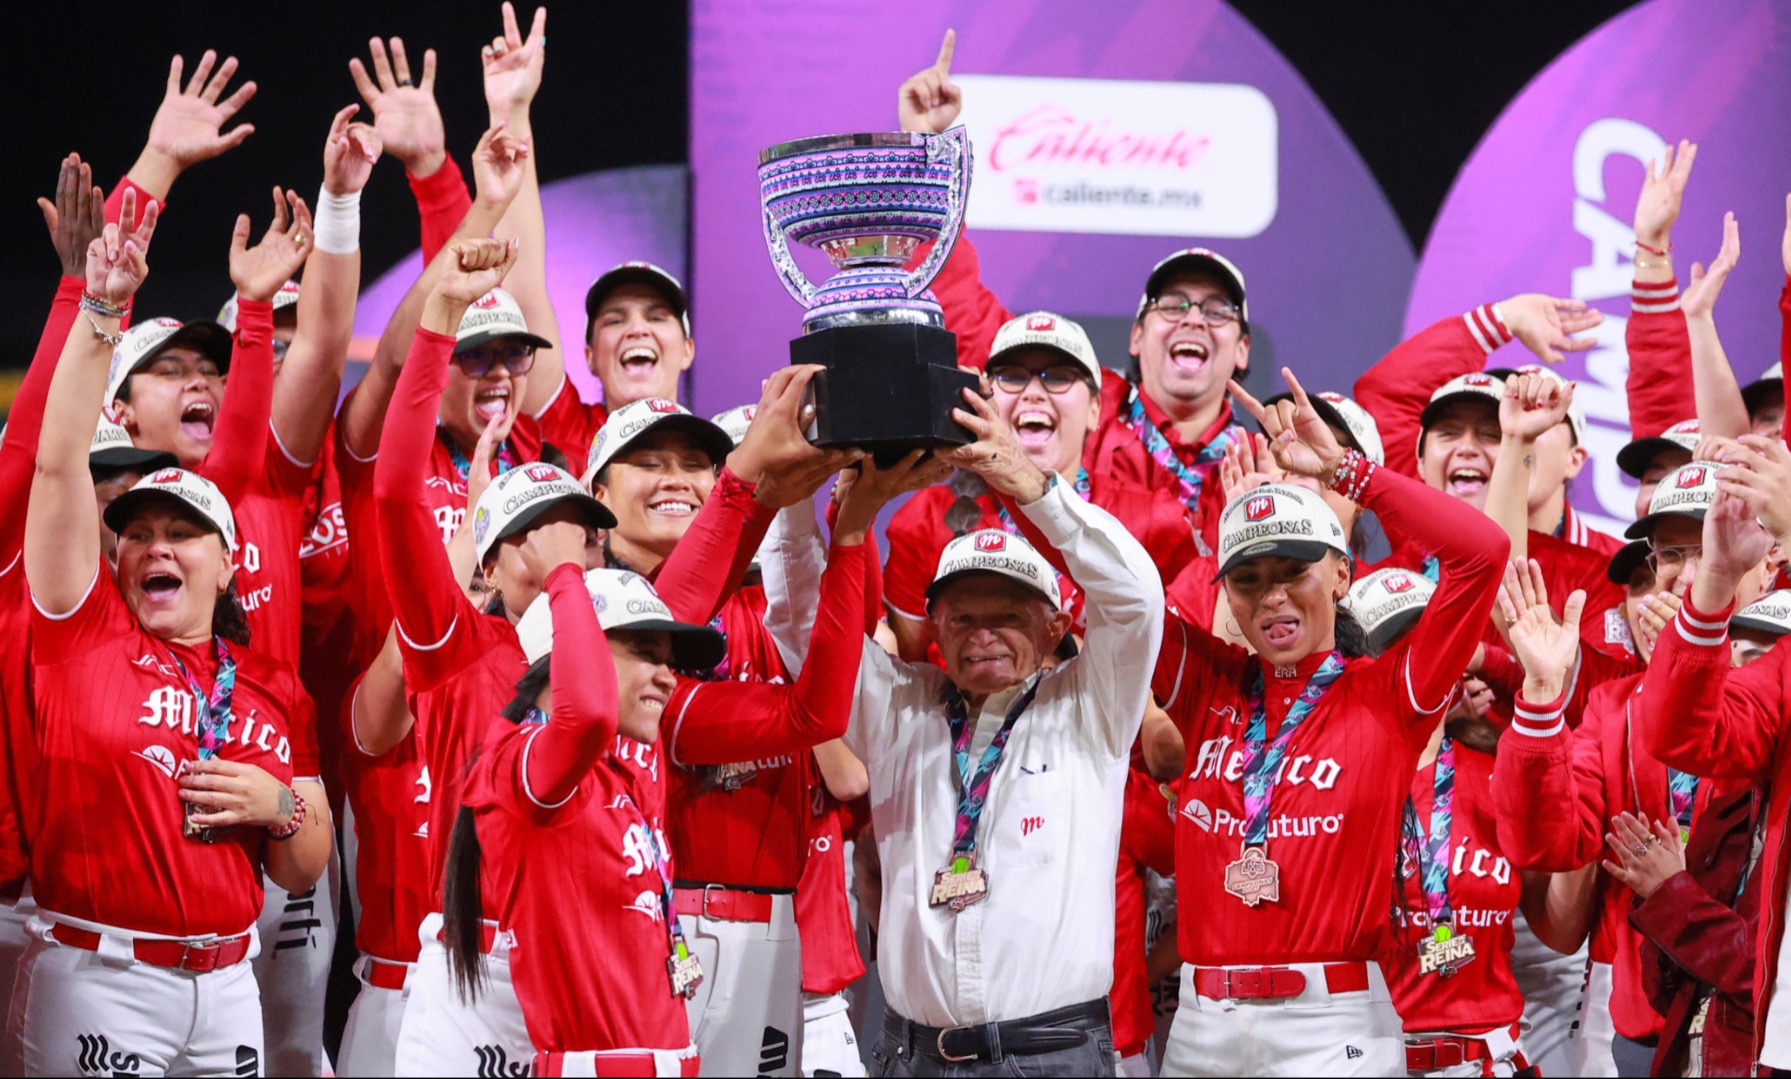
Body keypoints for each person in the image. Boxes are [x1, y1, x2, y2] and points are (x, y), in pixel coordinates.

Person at [11, 190, 330, 1076]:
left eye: (181, 533)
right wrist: (101, 304)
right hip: (99, 977)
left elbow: (307, 862)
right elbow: (56, 455)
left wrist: (280, 807)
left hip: (229, 985)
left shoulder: (269, 681)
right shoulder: (82, 633)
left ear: (229, 561)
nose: (155, 545)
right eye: (139, 531)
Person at [797, 379, 1162, 1077]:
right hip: (914, 1056)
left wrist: (1031, 485)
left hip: (1054, 1056)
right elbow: (803, 630)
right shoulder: (901, 708)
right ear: (933, 624)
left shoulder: (1090, 704)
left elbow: (1136, 598)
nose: (982, 634)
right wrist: (800, 500)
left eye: (1009, 615)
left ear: (1057, 624)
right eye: (963, 616)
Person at [1147, 371, 1505, 1076]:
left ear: (1341, 575)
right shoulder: (1205, 684)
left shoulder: (1388, 690)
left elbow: (1481, 552)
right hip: (1199, 1027)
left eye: (1294, 571)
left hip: (1333, 1024)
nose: (1272, 596)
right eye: (1247, 579)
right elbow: (1115, 589)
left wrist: (1347, 472)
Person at [896, 34, 1246, 552]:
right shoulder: (1073, 395)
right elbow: (958, 303)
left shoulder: (1265, 459)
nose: (1193, 319)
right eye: (1172, 304)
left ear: (1242, 347)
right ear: (1136, 335)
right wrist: (926, 154)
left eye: (1217, 309)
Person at [1494, 460, 1776, 1077]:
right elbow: (1548, 840)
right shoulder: (1615, 706)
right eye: (1670, 552)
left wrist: (1675, 892)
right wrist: (1541, 697)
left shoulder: (1776, 687)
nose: (1688, 571)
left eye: (1711, 545)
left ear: (1768, 560)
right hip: (1645, 1032)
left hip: (1762, 1019)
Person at [881, 311, 1197, 660]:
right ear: (985, 398)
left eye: (1059, 376)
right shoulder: (925, 521)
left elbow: (1180, 674)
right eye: (1012, 377)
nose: (1033, 392)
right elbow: (906, 674)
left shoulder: (1157, 522)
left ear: (1095, 409)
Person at [1629, 438, 1791, 1075]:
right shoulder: (1781, 669)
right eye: (1673, 552)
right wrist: (1717, 581)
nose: (1685, 567)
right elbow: (1685, 737)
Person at [1604, 590, 1787, 1077]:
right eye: (1743, 656)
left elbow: (1770, 977)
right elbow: (1667, 990)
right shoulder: (1729, 807)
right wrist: (1663, 899)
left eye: (1768, 663)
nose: (1749, 681)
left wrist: (1673, 896)